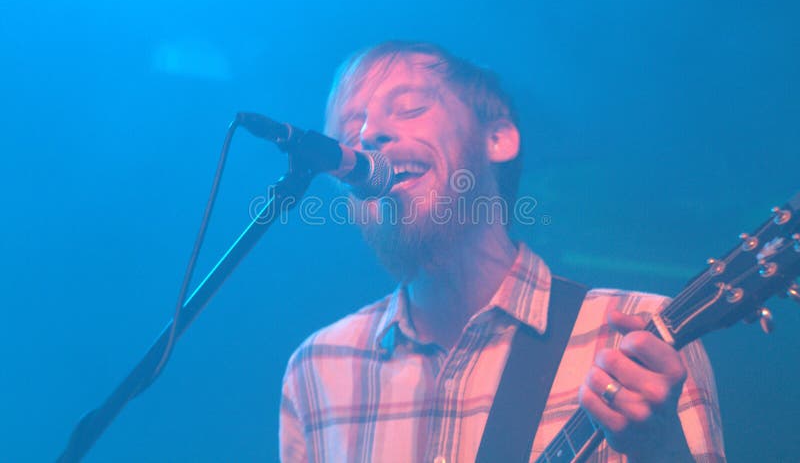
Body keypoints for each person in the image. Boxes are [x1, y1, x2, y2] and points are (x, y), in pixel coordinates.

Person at [279, 41, 725, 462]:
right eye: (348, 129)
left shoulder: (637, 338)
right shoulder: (319, 368)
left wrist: (661, 448)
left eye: (410, 108)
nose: (369, 133)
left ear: (497, 138)